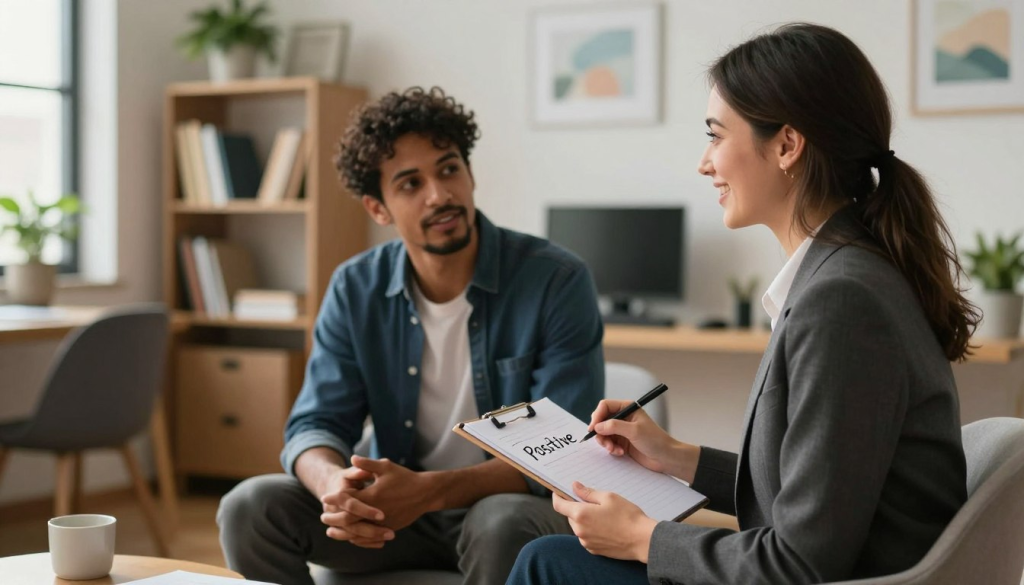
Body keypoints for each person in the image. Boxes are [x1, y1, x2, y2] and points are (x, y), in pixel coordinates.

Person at [508, 23, 978, 585]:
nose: (704, 164)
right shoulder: (846, 275)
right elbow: (816, 497)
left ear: (786, 145)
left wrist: (641, 538)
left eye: (715, 136)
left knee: (546, 562)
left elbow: (801, 561)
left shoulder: (841, 301)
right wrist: (673, 456)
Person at [217, 87, 605, 585]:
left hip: (505, 513)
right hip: (394, 518)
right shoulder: (355, 287)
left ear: (470, 174)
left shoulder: (555, 280)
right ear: (378, 209)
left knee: (500, 521)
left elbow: (562, 451)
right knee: (250, 506)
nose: (439, 195)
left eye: (448, 170)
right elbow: (314, 423)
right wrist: (333, 484)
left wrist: (429, 491)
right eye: (410, 184)